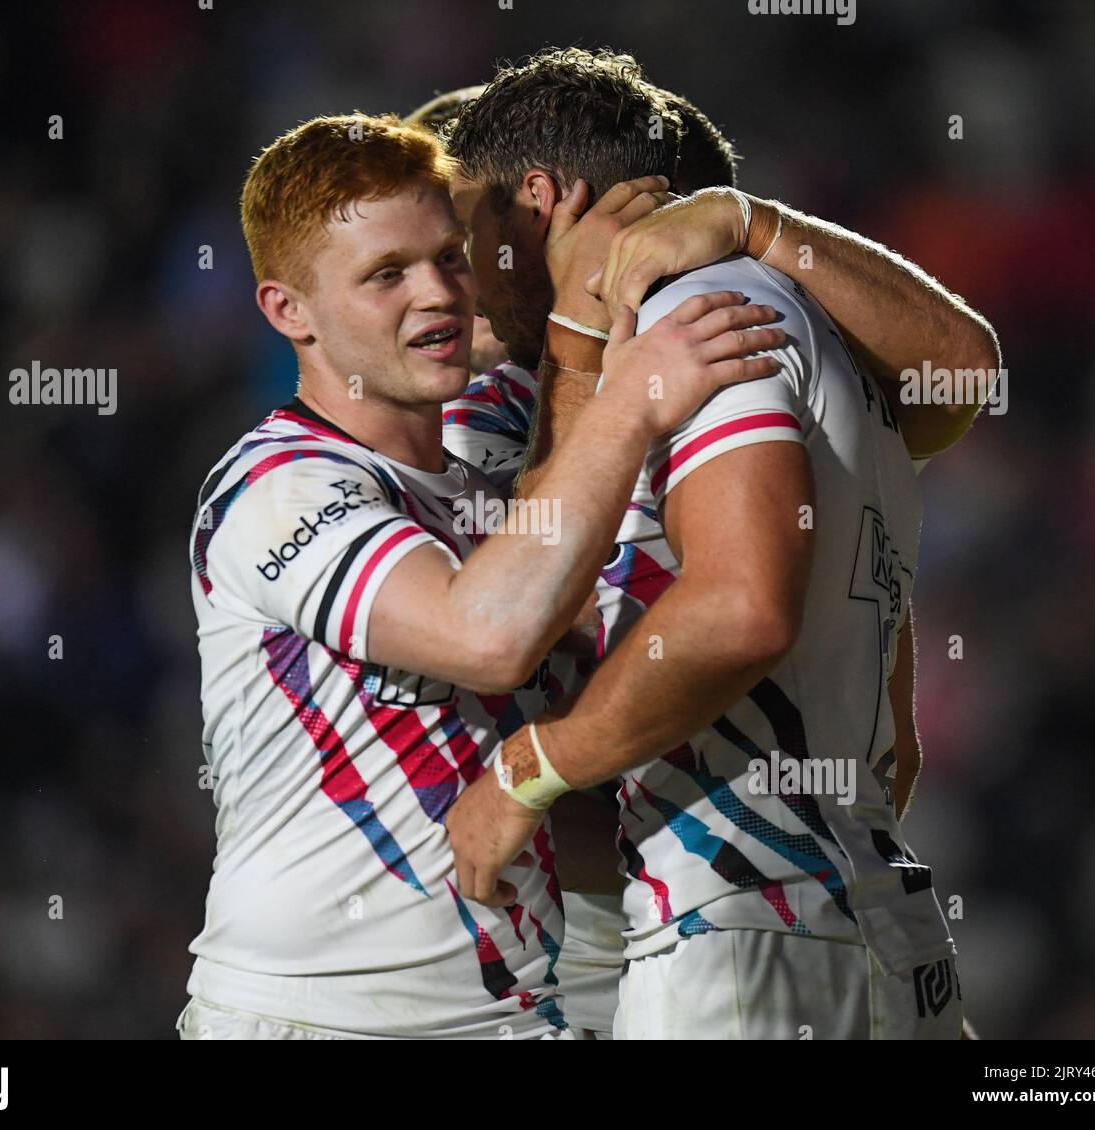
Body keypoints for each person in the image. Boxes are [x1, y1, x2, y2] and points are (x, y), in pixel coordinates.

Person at [178, 111, 783, 1039]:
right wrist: (631, 400)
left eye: (448, 259)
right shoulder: (277, 486)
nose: (436, 295)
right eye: (386, 274)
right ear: (286, 311)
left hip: (512, 1011)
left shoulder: (481, 467)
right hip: (318, 1018)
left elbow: (558, 582)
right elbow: (488, 638)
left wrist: (711, 235)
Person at [442, 47, 1001, 1039]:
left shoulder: (691, 316)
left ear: (540, 199)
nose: (461, 279)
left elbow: (735, 606)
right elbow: (965, 374)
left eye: (469, 229)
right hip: (875, 917)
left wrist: (530, 766)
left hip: (741, 927)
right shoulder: (830, 339)